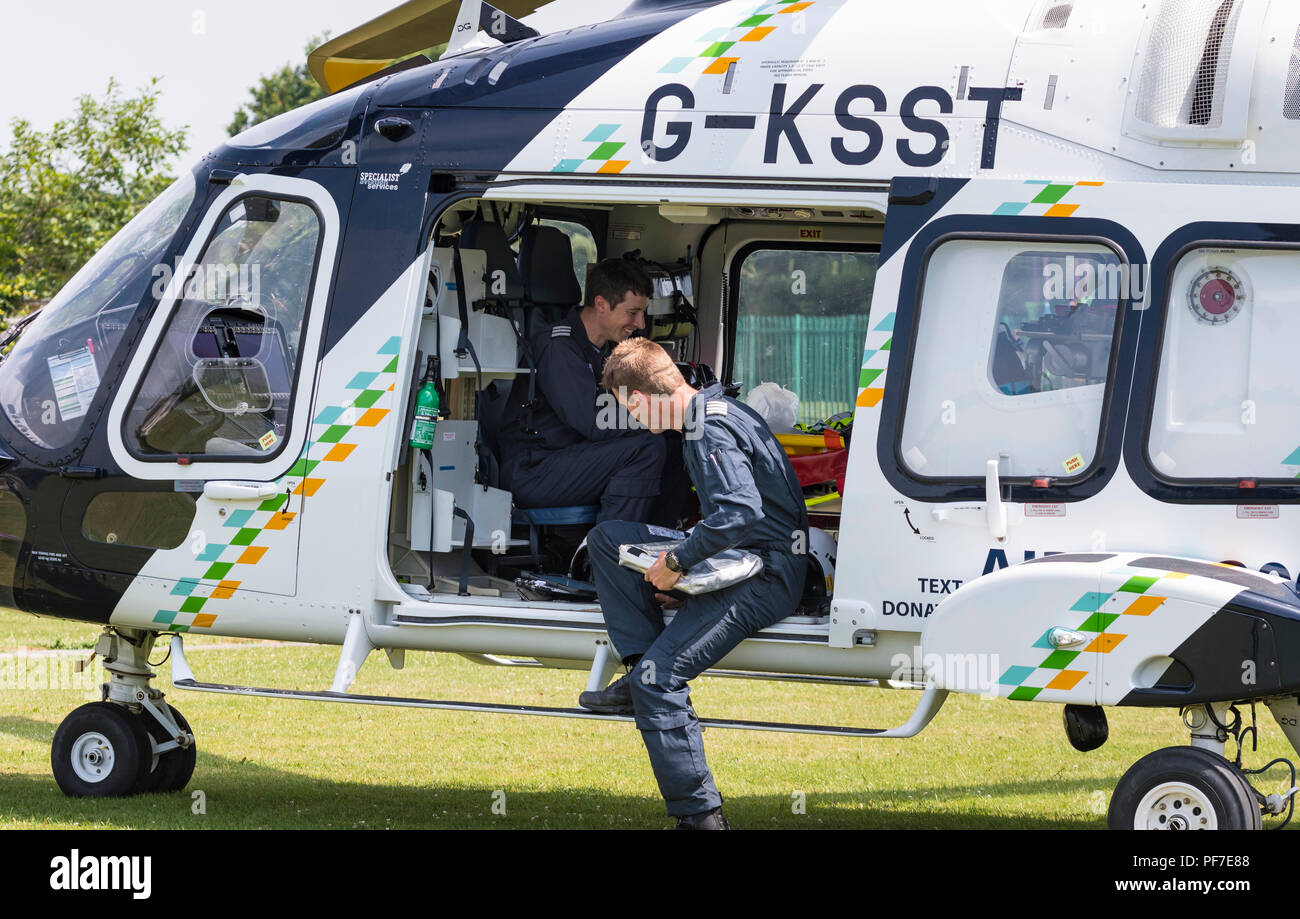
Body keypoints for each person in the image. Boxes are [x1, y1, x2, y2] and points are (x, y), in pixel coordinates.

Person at [579, 338, 810, 829]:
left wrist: (679, 564)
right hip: (747, 558)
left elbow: (739, 512)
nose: (632, 419)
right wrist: (689, 572)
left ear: (638, 399)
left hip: (766, 574)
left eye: (627, 409)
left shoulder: (709, 429)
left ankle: (701, 817)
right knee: (607, 540)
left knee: (660, 683)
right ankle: (638, 668)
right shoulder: (719, 407)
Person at [497, 258, 689, 526]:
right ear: (601, 304)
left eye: (642, 313)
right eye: (633, 312)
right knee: (647, 447)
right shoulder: (559, 348)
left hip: (573, 458)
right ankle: (611, 553)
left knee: (678, 444)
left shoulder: (609, 349)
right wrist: (661, 420)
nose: (641, 323)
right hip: (535, 469)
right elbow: (593, 420)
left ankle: (657, 542)